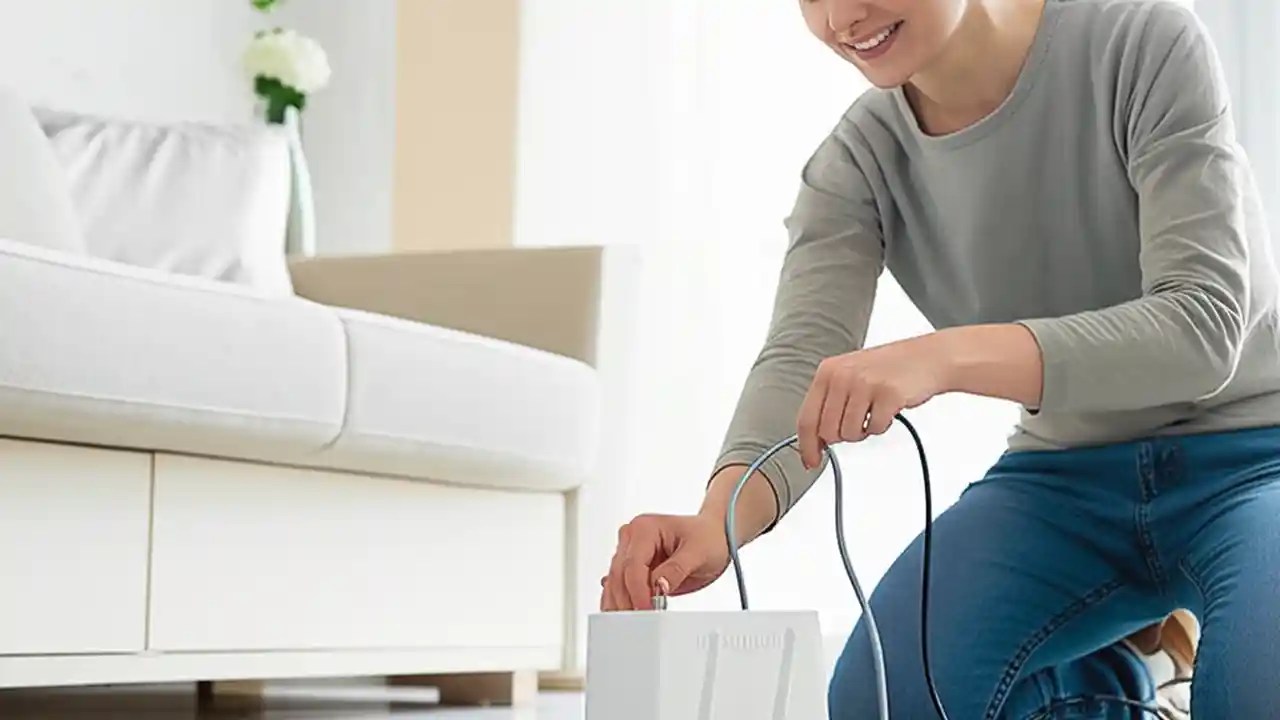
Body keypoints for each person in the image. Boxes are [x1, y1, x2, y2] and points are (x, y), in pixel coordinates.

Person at [600, 0, 1280, 717]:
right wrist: (718, 522)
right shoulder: (857, 159)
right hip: (1065, 477)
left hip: (1255, 457)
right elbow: (803, 355)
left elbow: (1202, 327)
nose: (841, 16)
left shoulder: (1141, 38)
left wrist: (941, 358)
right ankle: (1124, 676)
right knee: (880, 701)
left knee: (1255, 694)